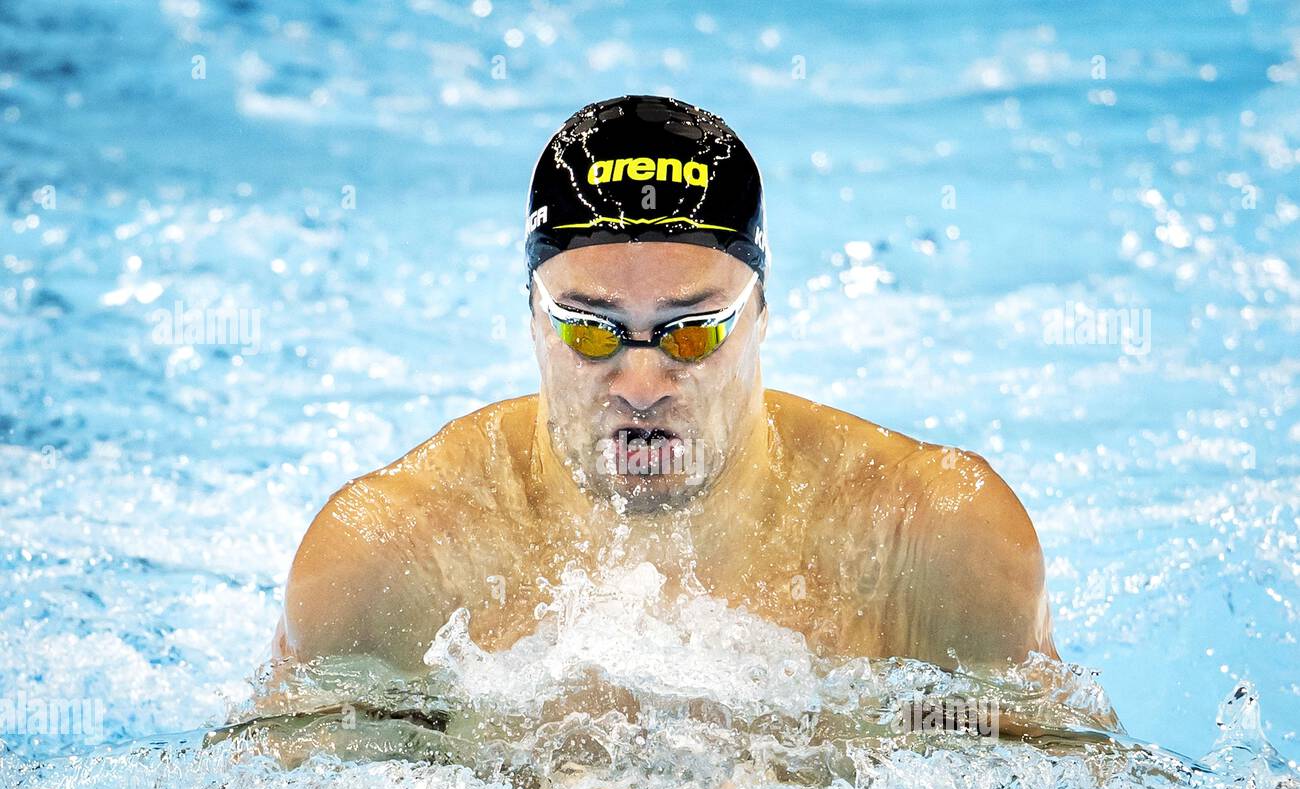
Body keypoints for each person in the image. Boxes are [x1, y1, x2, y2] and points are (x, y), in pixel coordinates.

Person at [266, 94, 1059, 703]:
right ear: (531, 319)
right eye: (589, 328)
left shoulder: (932, 543)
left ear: (763, 313)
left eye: (691, 331)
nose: (641, 386)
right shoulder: (386, 560)